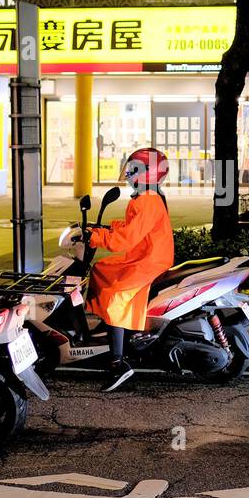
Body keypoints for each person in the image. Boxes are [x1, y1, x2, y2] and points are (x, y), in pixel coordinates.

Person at [83, 146, 174, 392]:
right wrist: (104, 227)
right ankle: (113, 331)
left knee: (115, 297)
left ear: (149, 173)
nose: (128, 175)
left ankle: (118, 363)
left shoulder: (148, 201)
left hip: (149, 262)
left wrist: (98, 237)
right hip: (143, 257)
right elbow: (132, 227)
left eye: (134, 170)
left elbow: (125, 239)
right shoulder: (148, 198)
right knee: (101, 269)